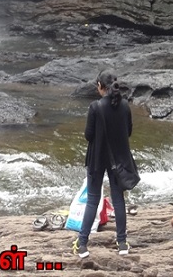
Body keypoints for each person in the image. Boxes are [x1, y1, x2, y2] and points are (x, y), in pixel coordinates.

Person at [73, 69, 136, 259]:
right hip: (119, 160)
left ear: (100, 86)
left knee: (93, 199)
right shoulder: (125, 105)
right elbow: (129, 132)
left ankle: (82, 244)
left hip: (96, 159)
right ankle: (122, 243)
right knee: (118, 200)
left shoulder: (95, 107)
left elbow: (88, 135)